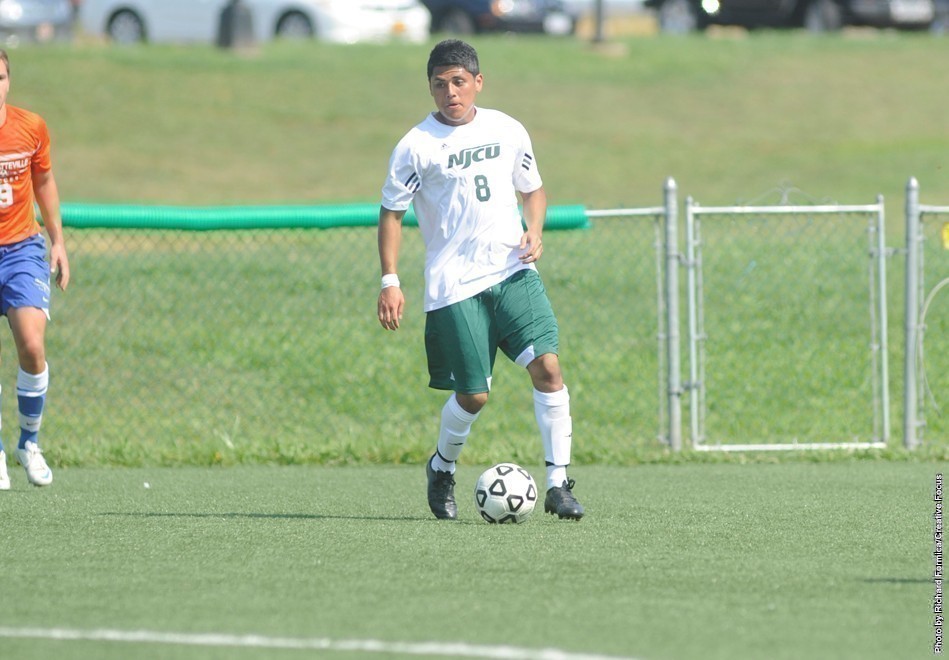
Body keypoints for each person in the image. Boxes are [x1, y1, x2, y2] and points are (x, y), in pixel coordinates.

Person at [377, 39, 583, 521]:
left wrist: (534, 230)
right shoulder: (416, 146)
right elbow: (391, 214)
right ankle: (442, 467)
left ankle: (558, 485)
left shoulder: (507, 129)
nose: (450, 92)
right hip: (454, 285)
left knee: (548, 369)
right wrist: (390, 280)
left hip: (513, 272)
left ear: (477, 82)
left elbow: (532, 191)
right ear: (430, 89)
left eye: (459, 81)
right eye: (439, 84)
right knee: (474, 395)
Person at [0, 49, 70, 490]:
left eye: (0, 76)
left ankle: (29, 442)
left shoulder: (31, 127)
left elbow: (43, 181)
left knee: (31, 344)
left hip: (22, 249)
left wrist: (58, 240)